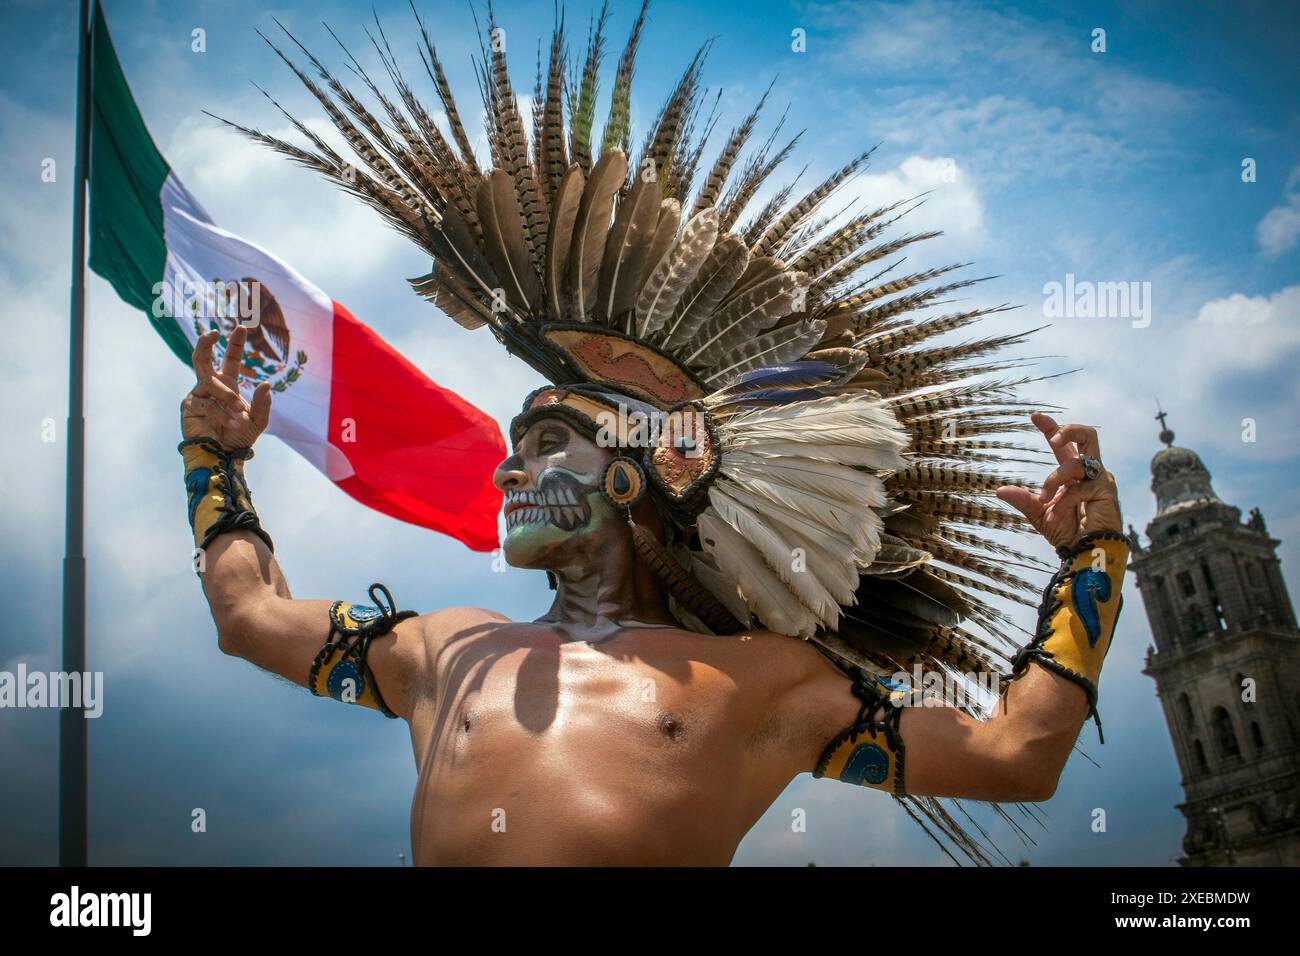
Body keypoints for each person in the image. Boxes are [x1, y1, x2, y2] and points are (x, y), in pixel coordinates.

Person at [182, 4, 1128, 864]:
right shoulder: (443, 652)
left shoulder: (757, 686)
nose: (509, 471)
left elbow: (1014, 754)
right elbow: (249, 619)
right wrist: (215, 457)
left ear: (636, 477)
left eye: (546, 445)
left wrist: (1092, 555)